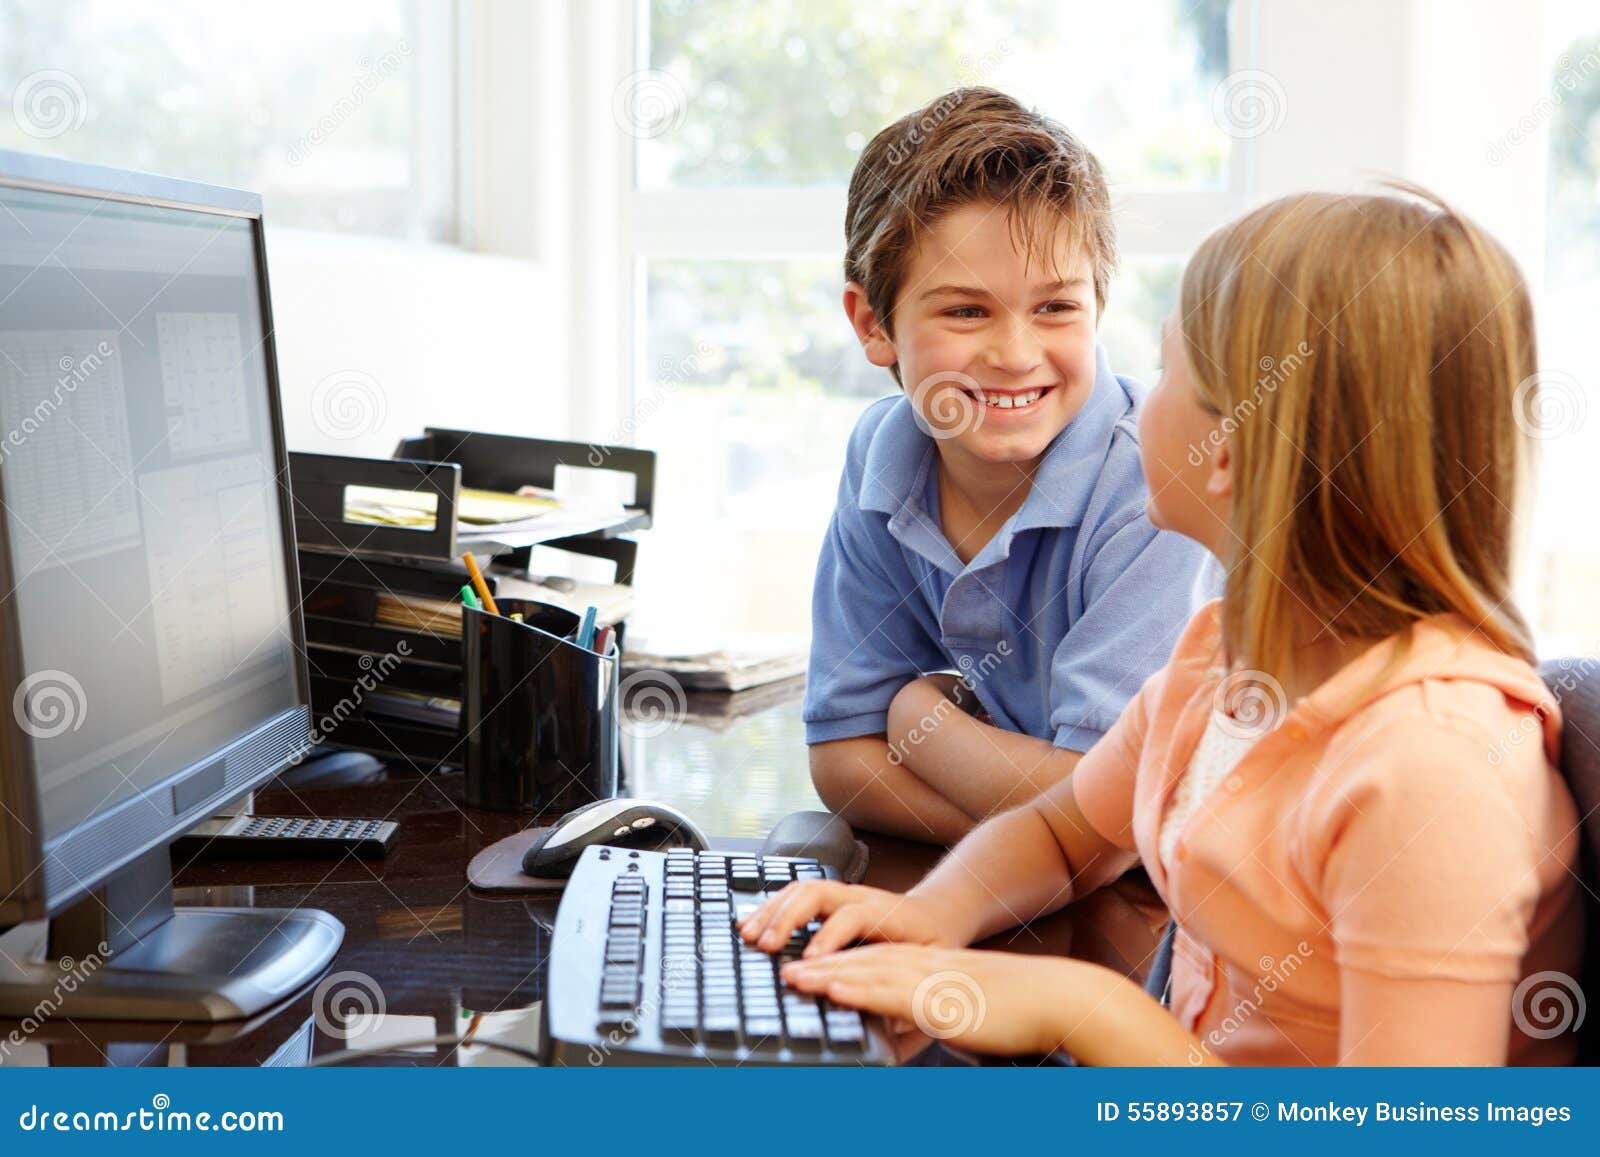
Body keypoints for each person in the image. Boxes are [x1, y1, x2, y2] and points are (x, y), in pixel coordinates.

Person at [749, 187, 1584, 1065]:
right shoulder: (1223, 660)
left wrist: (1087, 1010)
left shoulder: (1428, 769)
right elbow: (1059, 832)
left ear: (1223, 452)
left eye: (1166, 373)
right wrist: (929, 914)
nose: (1134, 406)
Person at [805, 88, 1212, 844]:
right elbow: (840, 759)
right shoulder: (882, 455)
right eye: (966, 311)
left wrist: (918, 717)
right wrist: (1049, 831)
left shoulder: (1154, 482)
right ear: (873, 324)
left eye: (1056, 308)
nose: (1016, 355)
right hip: (1023, 892)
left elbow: (1116, 818)